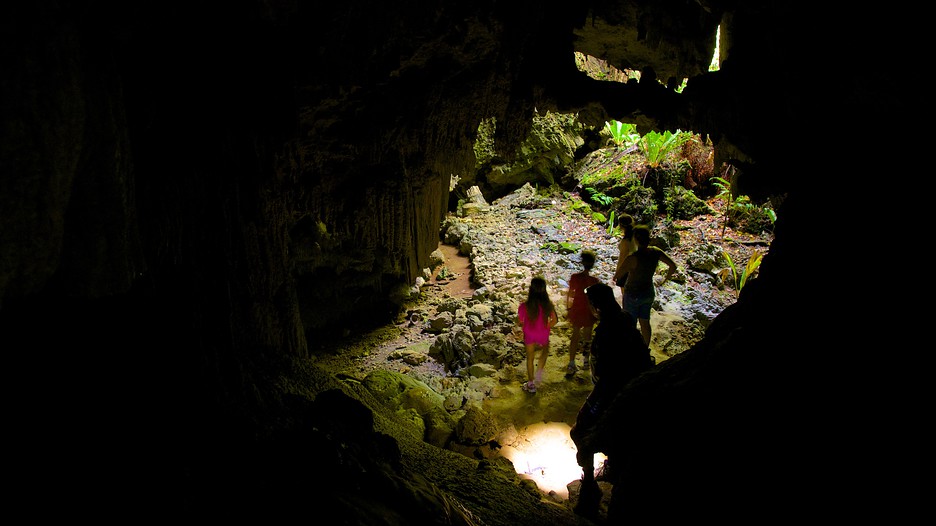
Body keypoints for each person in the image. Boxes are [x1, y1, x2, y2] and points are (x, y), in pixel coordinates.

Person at [569, 282, 651, 519]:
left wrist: (598, 399)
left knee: (581, 432)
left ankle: (589, 487)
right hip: (633, 386)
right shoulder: (625, 319)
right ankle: (612, 469)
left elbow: (607, 373)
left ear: (596, 306)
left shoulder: (607, 330)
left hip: (612, 389)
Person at [617, 224, 677, 347]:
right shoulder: (655, 252)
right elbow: (673, 266)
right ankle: (645, 348)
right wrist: (665, 280)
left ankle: (631, 348)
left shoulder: (633, 258)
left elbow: (618, 275)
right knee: (645, 322)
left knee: (630, 324)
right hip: (648, 292)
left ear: (635, 239)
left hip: (632, 293)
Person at [517, 275, 558, 394]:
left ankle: (531, 384)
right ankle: (539, 372)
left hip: (529, 334)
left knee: (530, 358)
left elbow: (520, 321)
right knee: (545, 352)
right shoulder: (548, 305)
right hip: (543, 334)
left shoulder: (525, 306)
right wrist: (546, 327)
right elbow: (555, 320)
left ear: (531, 290)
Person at [565, 249, 601, 376]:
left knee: (575, 335)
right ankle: (586, 360)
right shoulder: (595, 281)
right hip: (588, 310)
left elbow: (570, 294)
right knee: (587, 337)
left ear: (582, 262)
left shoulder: (575, 277)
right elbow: (596, 299)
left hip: (577, 308)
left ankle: (571, 362)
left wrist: (568, 308)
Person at [612, 212, 636, 300]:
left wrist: (617, 274)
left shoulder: (625, 241)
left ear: (621, 225)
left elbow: (622, 259)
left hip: (626, 270)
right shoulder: (635, 237)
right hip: (635, 268)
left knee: (625, 296)